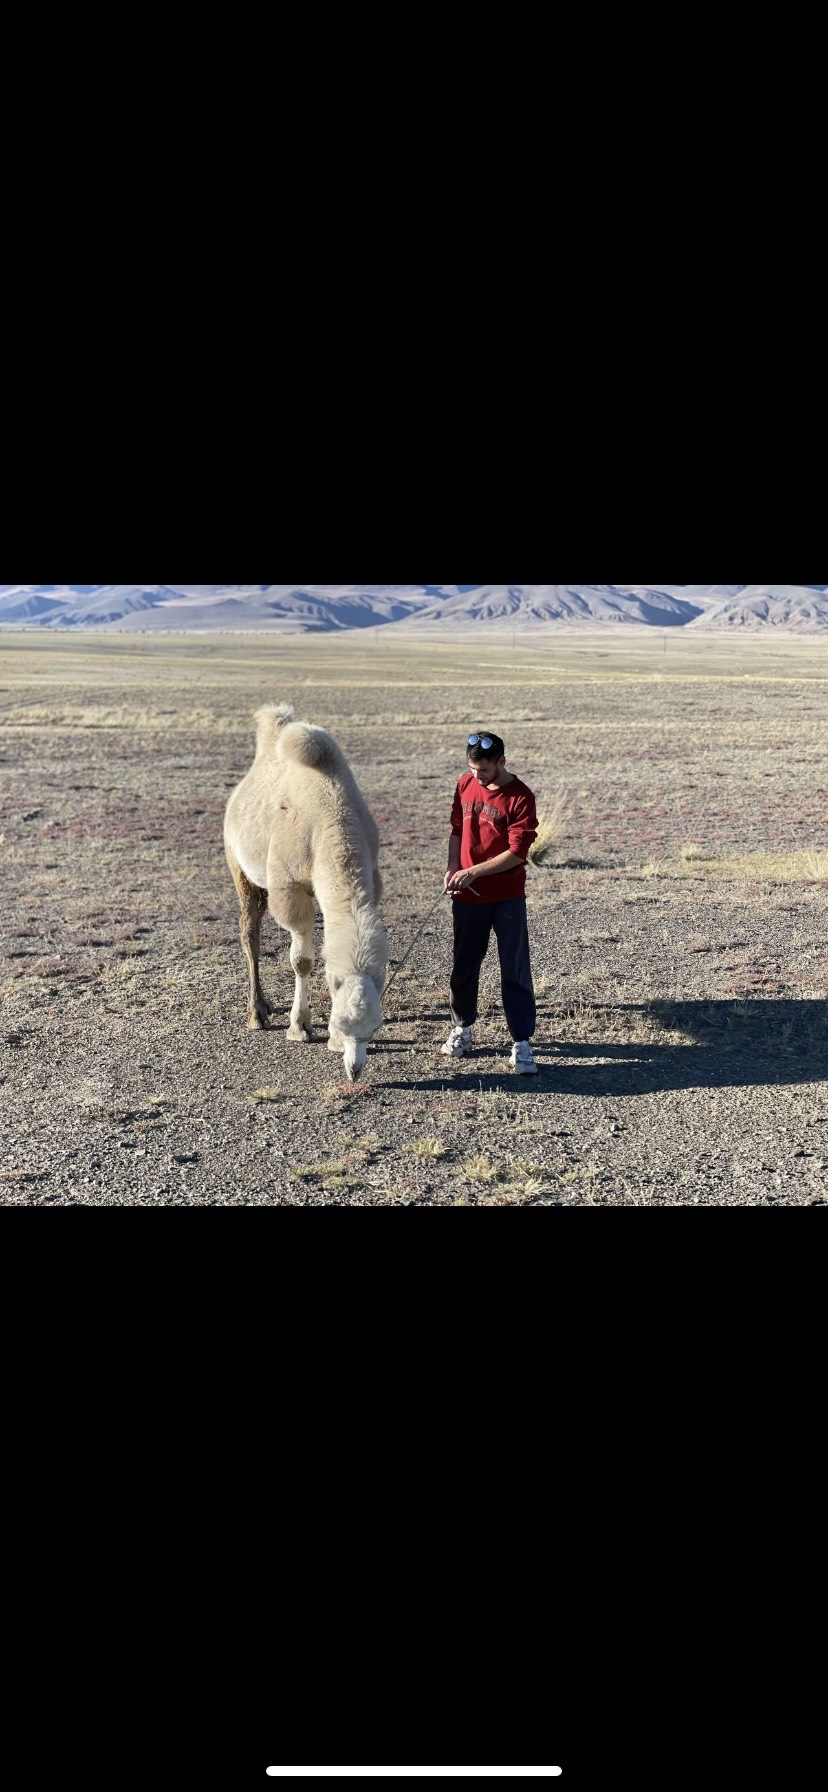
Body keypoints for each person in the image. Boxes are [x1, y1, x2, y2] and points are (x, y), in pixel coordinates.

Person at [441, 730, 539, 1073]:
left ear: (501, 762)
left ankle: (521, 1042)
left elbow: (517, 852)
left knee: (514, 969)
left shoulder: (520, 797)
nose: (477, 776)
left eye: (483, 770)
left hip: (507, 898)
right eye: (472, 769)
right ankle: (462, 1029)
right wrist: (453, 868)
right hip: (467, 897)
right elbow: (456, 830)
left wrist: (474, 872)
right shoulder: (465, 784)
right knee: (464, 966)